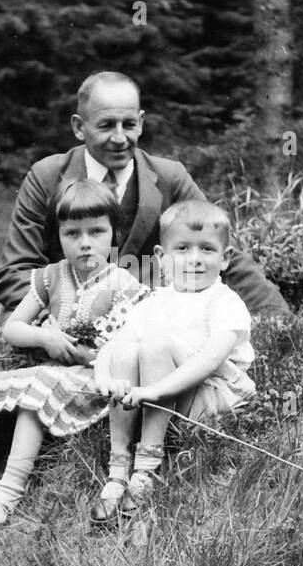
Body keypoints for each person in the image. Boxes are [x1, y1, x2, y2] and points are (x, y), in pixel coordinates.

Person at [0, 70, 287, 462]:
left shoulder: (168, 176)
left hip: (135, 313)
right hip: (63, 310)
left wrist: (278, 316)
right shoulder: (47, 176)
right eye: (106, 126)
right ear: (78, 126)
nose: (120, 138)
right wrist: (51, 321)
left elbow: (214, 244)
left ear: (141, 122)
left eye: (130, 125)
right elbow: (17, 270)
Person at [0, 180, 150, 536]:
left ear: (114, 233)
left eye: (96, 231)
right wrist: (44, 336)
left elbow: (133, 344)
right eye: (72, 233)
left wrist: (93, 353)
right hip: (49, 373)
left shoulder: (121, 283)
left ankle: (4, 499)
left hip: (94, 378)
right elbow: (12, 329)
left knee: (38, 390)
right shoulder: (50, 277)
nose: (84, 243)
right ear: (57, 237)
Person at [91, 200, 256, 522]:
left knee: (155, 344)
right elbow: (114, 345)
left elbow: (210, 359)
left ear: (225, 259)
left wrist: (157, 390)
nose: (194, 260)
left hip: (209, 393)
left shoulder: (224, 301)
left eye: (207, 249)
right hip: (159, 394)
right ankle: (118, 466)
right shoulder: (156, 300)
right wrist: (103, 377)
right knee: (128, 348)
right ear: (161, 258)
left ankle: (147, 466)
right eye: (182, 249)